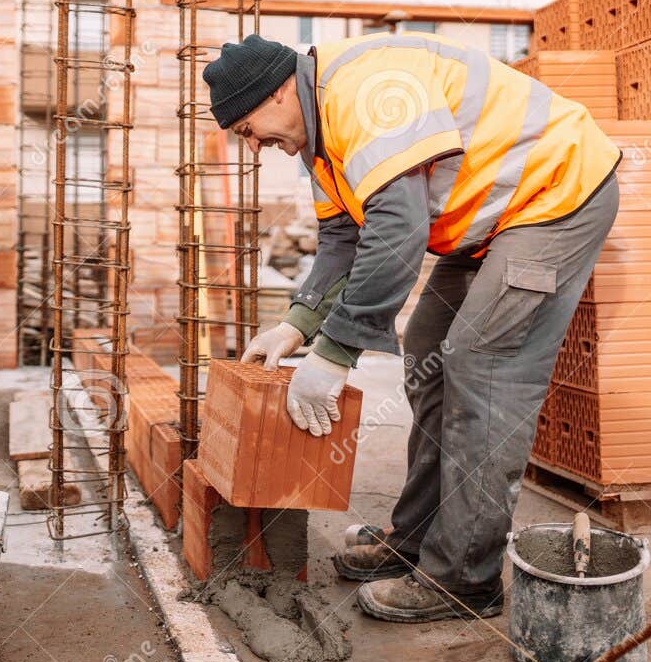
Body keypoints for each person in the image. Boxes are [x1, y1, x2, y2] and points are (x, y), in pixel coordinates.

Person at [201, 31, 620, 623]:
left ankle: (464, 579)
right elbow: (345, 237)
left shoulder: (365, 94)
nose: (253, 147)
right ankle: (418, 539)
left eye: (246, 130)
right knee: (426, 350)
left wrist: (336, 352)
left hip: (555, 197)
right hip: (491, 221)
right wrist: (299, 324)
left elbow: (397, 230)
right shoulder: (320, 142)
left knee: (482, 364)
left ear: (274, 95)